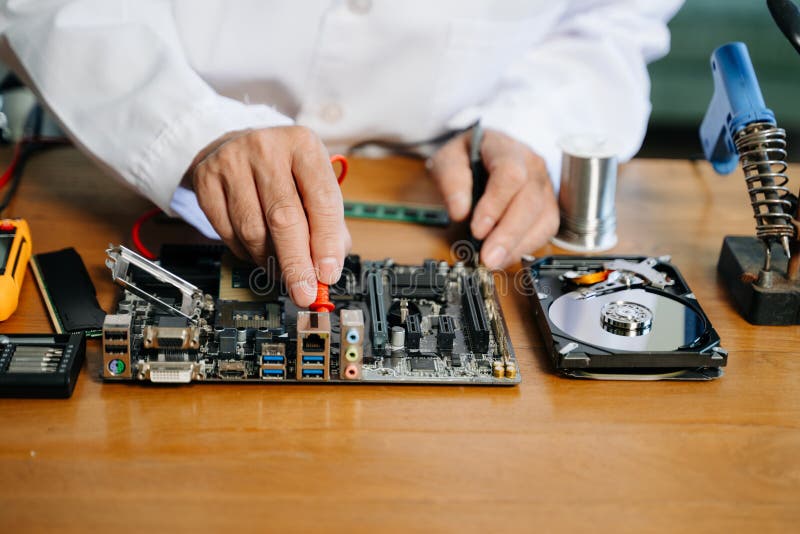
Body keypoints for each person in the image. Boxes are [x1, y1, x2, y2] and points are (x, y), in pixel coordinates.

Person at [0, 0, 682, 305]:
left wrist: (531, 125)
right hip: (141, 145)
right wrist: (186, 126)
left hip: (450, 167)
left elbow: (613, 18)